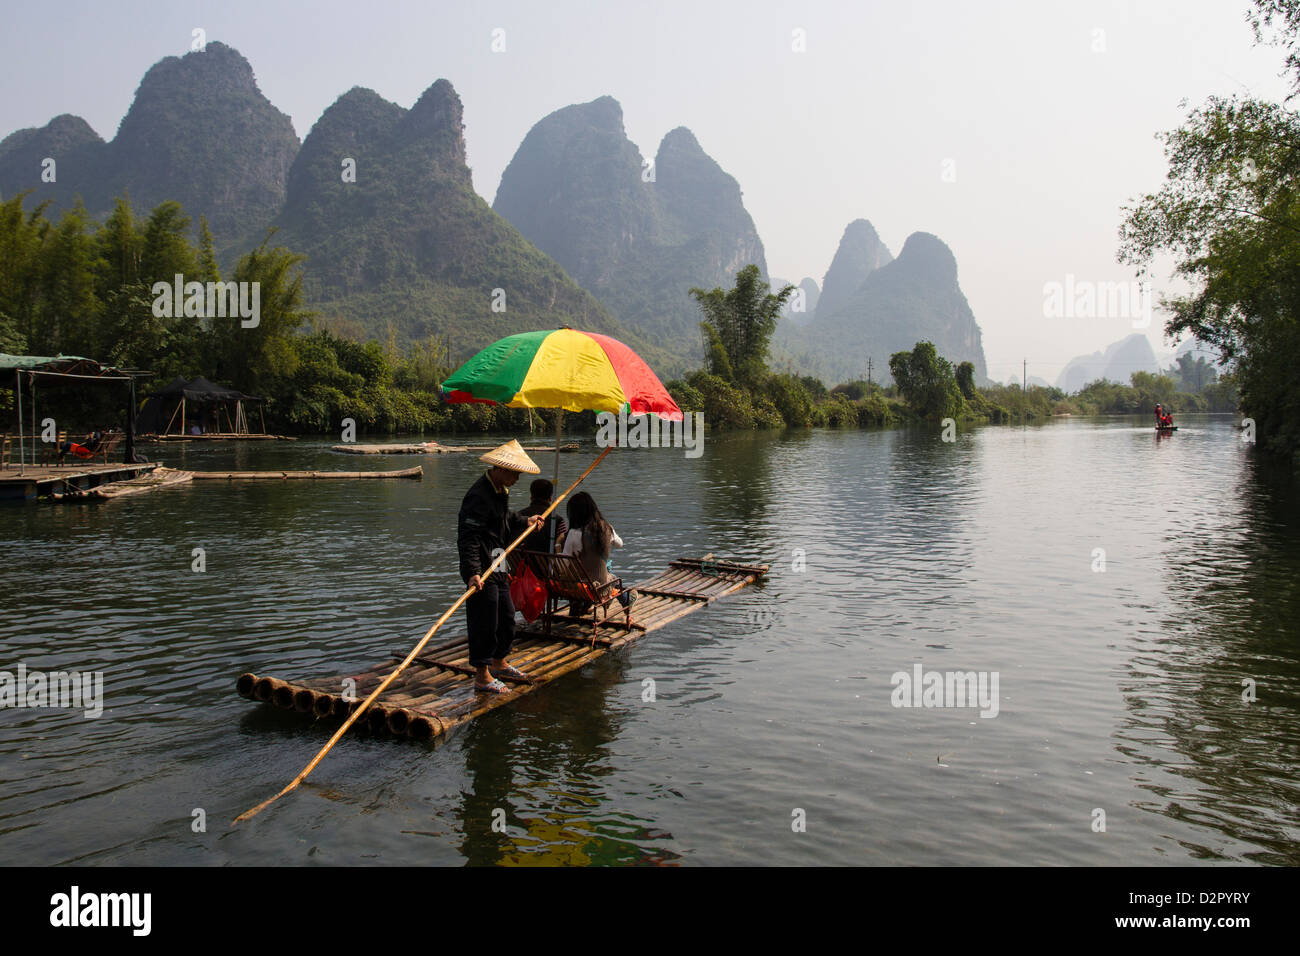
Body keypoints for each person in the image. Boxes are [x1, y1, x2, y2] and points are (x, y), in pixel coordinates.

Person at [457, 439, 545, 694]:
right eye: (514, 473)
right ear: (500, 469)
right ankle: (482, 675)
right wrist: (472, 572)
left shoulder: (499, 492)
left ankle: (499, 661)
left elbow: (505, 519)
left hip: (498, 561)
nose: (517, 479)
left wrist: (526, 520)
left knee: (506, 616)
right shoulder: (479, 496)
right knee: (484, 618)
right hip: (483, 566)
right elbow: (468, 537)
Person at [562, 491, 635, 615]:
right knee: (611, 573)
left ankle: (580, 606)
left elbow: (564, 563)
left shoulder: (573, 533)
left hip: (577, 586)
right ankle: (626, 600)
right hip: (599, 586)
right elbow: (620, 544)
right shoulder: (606, 528)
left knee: (602, 571)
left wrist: (559, 545)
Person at [518, 478, 568, 553]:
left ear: (531, 496)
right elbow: (563, 546)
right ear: (550, 498)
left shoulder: (518, 517)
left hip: (518, 562)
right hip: (547, 563)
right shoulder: (557, 520)